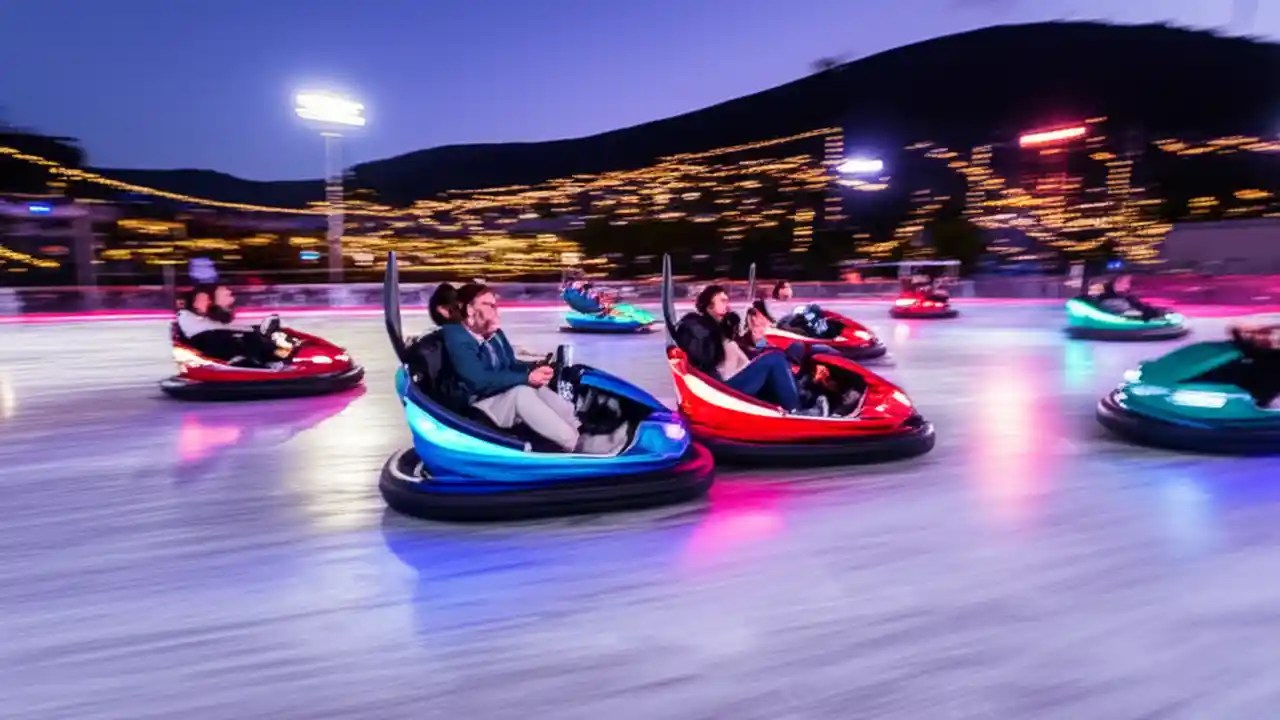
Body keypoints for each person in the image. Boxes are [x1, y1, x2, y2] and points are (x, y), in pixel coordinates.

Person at [440, 283, 627, 453]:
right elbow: (478, 381)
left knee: (534, 387)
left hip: (495, 395)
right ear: (470, 309)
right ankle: (575, 444)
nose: (495, 311)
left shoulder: (492, 333)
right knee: (522, 393)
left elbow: (511, 365)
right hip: (476, 405)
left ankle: (580, 428)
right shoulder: (456, 336)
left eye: (495, 305)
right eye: (488, 305)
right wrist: (526, 378)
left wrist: (537, 368)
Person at [676, 284, 827, 415]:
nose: (727, 305)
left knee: (791, 350)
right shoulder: (700, 327)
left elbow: (739, 353)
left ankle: (805, 394)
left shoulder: (719, 328)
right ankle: (797, 409)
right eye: (722, 301)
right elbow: (707, 358)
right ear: (709, 306)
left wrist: (738, 335)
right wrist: (722, 330)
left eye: (727, 301)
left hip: (739, 378)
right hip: (725, 389)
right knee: (774, 359)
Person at [176, 284, 289, 367]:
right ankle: (276, 359)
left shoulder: (205, 324)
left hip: (214, 350)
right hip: (215, 355)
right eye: (227, 295)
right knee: (250, 337)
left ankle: (275, 357)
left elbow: (224, 323)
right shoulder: (197, 325)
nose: (232, 299)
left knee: (251, 335)